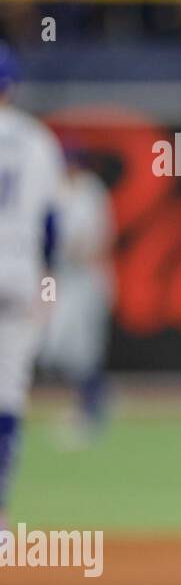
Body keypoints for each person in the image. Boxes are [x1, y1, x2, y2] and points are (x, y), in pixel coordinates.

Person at [0, 42, 63, 547]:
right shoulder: (38, 139)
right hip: (19, 276)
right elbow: (49, 223)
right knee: (8, 394)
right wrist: (46, 279)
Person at [36, 147, 115, 447]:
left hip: (87, 280)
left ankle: (91, 410)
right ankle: (93, 399)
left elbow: (100, 240)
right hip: (59, 280)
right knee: (55, 345)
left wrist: (71, 250)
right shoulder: (54, 190)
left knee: (84, 349)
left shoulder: (92, 191)